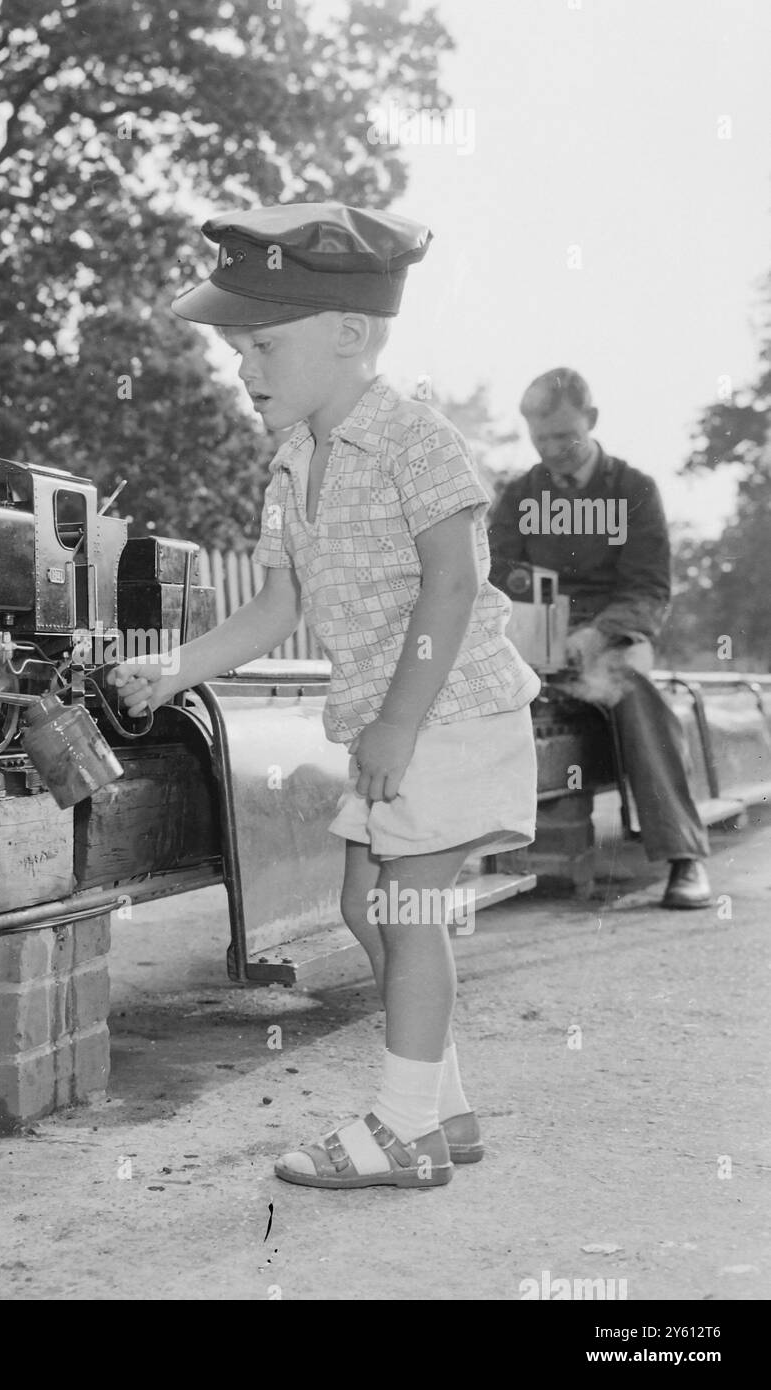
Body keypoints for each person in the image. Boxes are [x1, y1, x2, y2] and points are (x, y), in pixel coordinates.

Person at [109, 203, 541, 1190]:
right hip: (395, 721)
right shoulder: (292, 461)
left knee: (404, 900)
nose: (243, 368)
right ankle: (445, 1109)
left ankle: (404, 1131)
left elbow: (453, 583)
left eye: (262, 344)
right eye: (235, 349)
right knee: (367, 900)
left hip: (446, 708)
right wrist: (174, 669)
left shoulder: (411, 439)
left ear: (351, 334)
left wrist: (396, 721)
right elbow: (278, 605)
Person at [488, 370, 713, 909]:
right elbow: (493, 575)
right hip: (535, 635)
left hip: (615, 637)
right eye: (540, 439)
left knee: (631, 691)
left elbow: (649, 589)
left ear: (592, 420)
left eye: (563, 436)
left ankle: (685, 857)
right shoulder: (520, 494)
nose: (551, 450)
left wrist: (595, 635)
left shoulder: (634, 490)